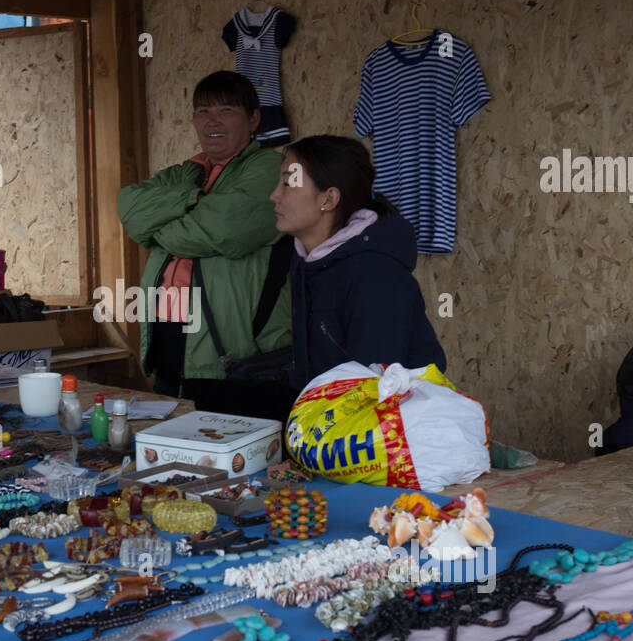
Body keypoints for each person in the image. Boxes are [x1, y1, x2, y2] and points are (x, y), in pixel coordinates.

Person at [118, 70, 292, 419]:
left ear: (254, 119)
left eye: (226, 110)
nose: (212, 121)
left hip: (237, 350)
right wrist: (198, 198)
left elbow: (226, 228)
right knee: (177, 456)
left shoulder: (271, 167)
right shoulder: (189, 172)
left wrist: (160, 228)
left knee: (238, 457)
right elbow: (130, 206)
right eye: (203, 112)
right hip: (168, 335)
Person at [271, 134, 447, 393]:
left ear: (328, 199)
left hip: (389, 427)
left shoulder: (376, 277)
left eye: (288, 182)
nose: (274, 195)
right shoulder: (307, 261)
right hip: (331, 423)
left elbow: (376, 393)